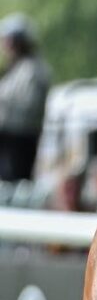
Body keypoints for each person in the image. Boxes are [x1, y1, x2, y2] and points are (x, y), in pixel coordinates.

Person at [0, 14, 52, 182]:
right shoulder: (17, 69)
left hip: (19, 139)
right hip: (9, 139)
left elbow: (29, 106)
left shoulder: (34, 70)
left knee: (14, 183)